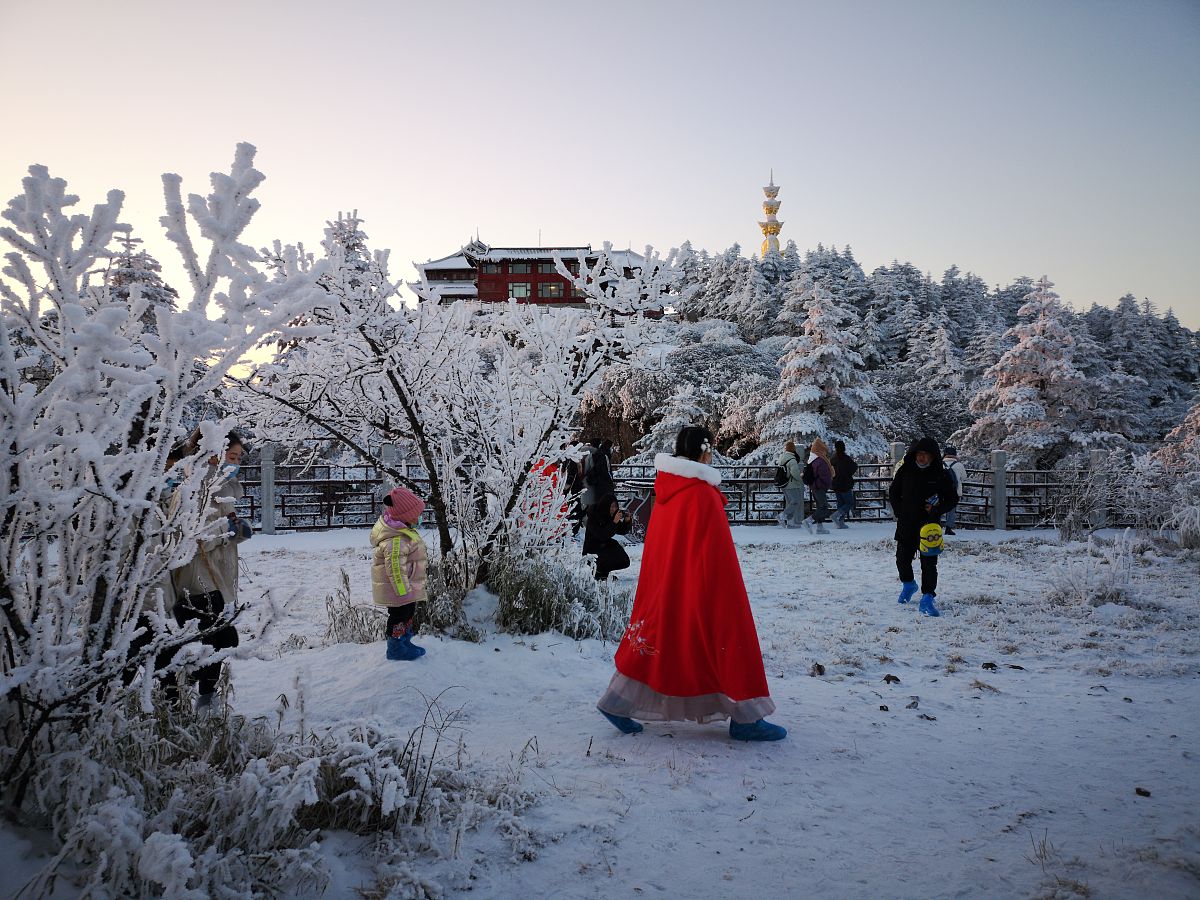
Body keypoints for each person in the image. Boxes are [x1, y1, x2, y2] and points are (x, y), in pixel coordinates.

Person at [596, 425, 786, 742]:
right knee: (728, 639)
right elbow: (715, 553)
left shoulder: (669, 488)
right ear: (704, 450)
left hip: (667, 583)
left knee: (658, 638)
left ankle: (617, 702)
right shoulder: (700, 493)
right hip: (705, 584)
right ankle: (745, 718)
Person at [171, 431, 252, 709]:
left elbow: (220, 530)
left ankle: (196, 688)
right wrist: (227, 532)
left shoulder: (222, 489)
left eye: (239, 458)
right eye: (232, 457)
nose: (236, 462)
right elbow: (193, 533)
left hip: (214, 576)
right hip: (198, 579)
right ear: (213, 454)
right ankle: (203, 700)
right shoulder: (197, 487)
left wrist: (235, 533)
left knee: (219, 639)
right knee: (222, 639)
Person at [888, 437, 958, 617]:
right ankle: (908, 584)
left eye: (926, 455)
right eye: (919, 454)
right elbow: (894, 492)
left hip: (929, 526)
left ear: (933, 457)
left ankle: (927, 597)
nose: (922, 458)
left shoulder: (940, 475)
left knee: (929, 564)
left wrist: (937, 508)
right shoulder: (905, 470)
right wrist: (899, 511)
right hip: (906, 523)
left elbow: (952, 498)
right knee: (902, 559)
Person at [371, 486, 429, 661]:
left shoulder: (402, 531)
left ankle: (405, 641)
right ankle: (396, 649)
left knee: (408, 613)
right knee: (399, 616)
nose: (419, 517)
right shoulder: (396, 539)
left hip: (405, 588)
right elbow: (395, 568)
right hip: (398, 590)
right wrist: (403, 591)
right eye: (416, 514)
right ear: (405, 516)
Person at [584, 494, 633, 580]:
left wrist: (627, 521)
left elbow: (622, 530)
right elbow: (601, 535)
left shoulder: (610, 516)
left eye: (615, 507)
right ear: (605, 506)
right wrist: (613, 522)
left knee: (623, 560)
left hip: (604, 547)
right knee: (608, 550)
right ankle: (598, 572)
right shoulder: (593, 517)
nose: (613, 509)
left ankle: (603, 572)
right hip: (592, 551)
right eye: (611, 507)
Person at [801, 438, 835, 535]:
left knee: (820, 507)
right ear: (820, 449)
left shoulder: (812, 460)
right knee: (824, 508)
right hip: (819, 487)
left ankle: (820, 528)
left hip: (814, 486)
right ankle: (808, 521)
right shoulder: (820, 461)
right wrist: (826, 484)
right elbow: (824, 476)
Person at [775, 440, 806, 528]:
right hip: (791, 484)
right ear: (794, 449)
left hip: (784, 484)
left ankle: (790, 523)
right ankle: (782, 516)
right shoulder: (792, 460)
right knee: (795, 501)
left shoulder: (782, 457)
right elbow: (795, 473)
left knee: (791, 503)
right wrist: (801, 480)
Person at [830, 439, 858, 529]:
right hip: (845, 484)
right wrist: (848, 474)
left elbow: (830, 470)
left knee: (840, 503)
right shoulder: (846, 458)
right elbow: (854, 467)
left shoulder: (833, 459)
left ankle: (840, 522)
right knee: (849, 503)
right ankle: (837, 517)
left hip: (836, 484)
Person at [941, 446, 967, 535]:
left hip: (940, 491)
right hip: (954, 491)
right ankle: (948, 528)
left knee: (937, 508)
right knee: (951, 509)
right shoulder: (959, 465)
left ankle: (935, 525)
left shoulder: (940, 464)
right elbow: (964, 477)